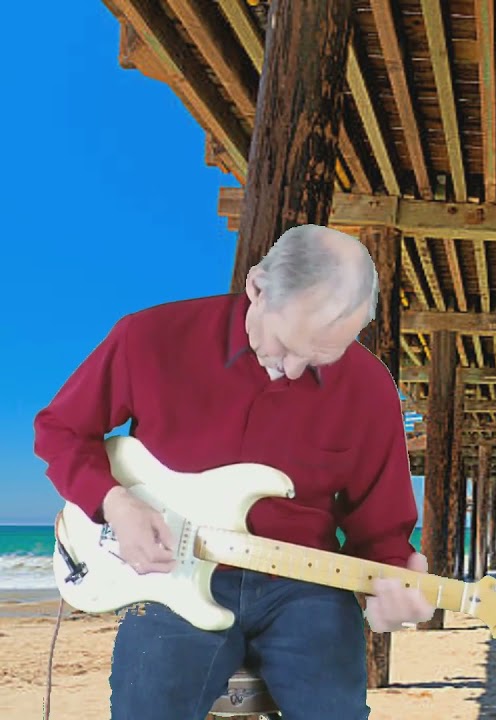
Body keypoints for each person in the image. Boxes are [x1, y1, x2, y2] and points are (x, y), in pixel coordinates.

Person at [33, 225, 436, 720]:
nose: (294, 371)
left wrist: (391, 589)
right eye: (287, 346)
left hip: (304, 588)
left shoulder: (370, 387)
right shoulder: (149, 336)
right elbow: (60, 430)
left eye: (321, 357)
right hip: (170, 575)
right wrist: (115, 502)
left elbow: (381, 530)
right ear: (257, 289)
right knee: (146, 704)